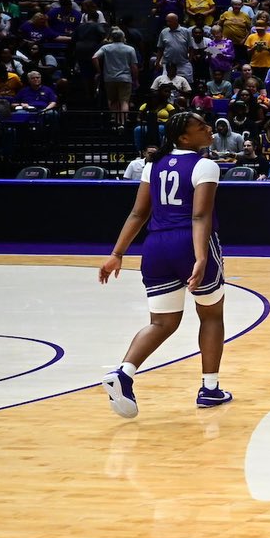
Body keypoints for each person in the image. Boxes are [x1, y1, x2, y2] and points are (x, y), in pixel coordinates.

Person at [95, 109, 233, 417]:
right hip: (190, 241)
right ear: (185, 137)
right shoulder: (205, 165)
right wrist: (200, 257)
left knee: (161, 323)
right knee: (211, 316)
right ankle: (210, 390)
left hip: (156, 246)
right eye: (201, 126)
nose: (209, 129)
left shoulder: (153, 164)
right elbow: (200, 216)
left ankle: (124, 373)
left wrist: (117, 253)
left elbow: (137, 213)